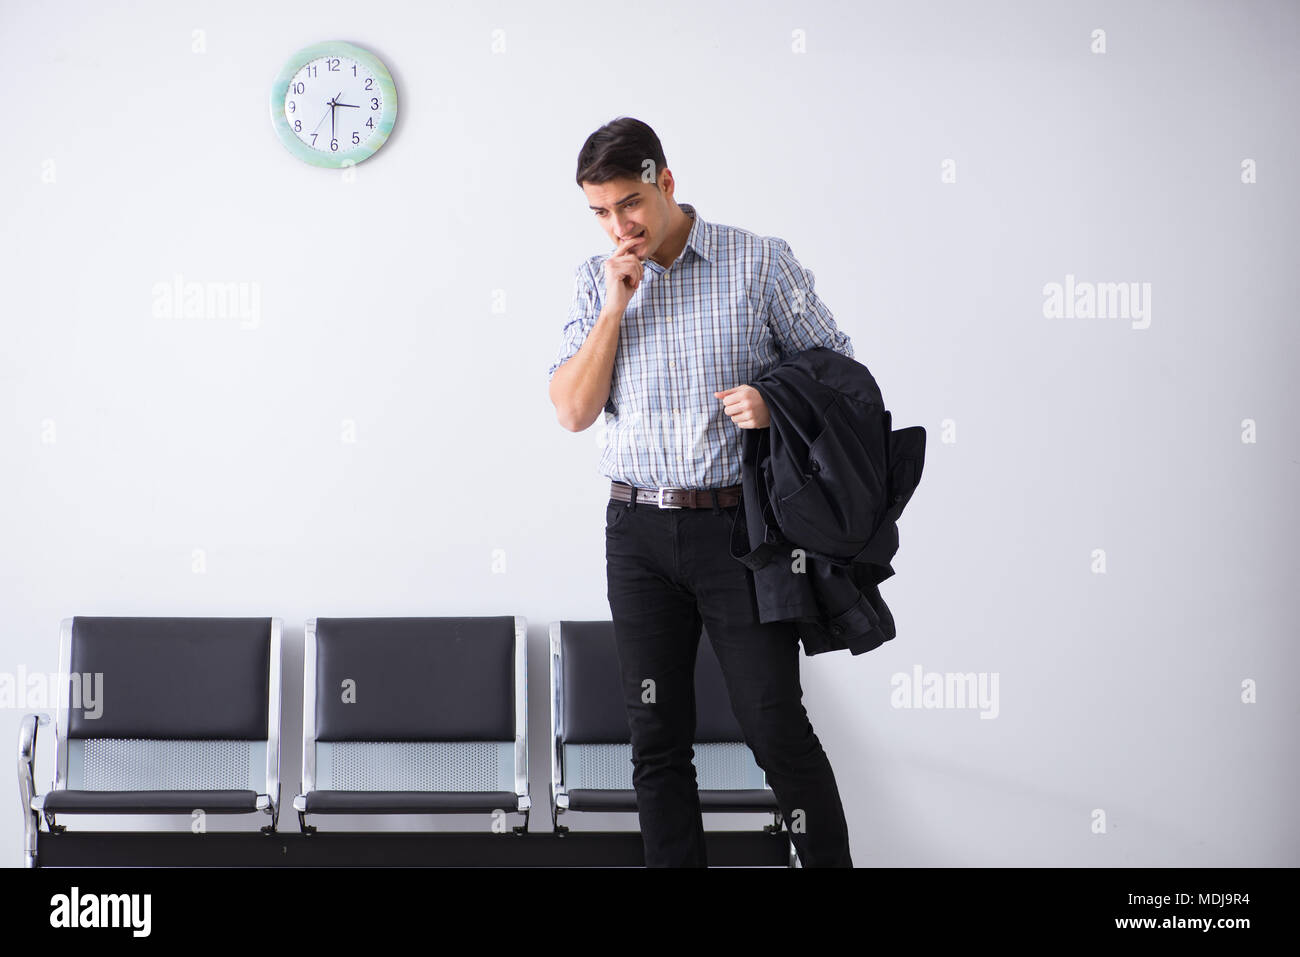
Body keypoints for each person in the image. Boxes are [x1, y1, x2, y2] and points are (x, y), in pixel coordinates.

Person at [547, 116, 855, 867]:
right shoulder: (596, 280)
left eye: (629, 203)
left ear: (666, 182)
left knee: (773, 723)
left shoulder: (758, 263)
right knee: (655, 736)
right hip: (638, 533)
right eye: (600, 212)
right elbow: (572, 411)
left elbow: (843, 378)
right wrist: (617, 306)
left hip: (738, 536)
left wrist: (772, 399)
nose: (619, 225)